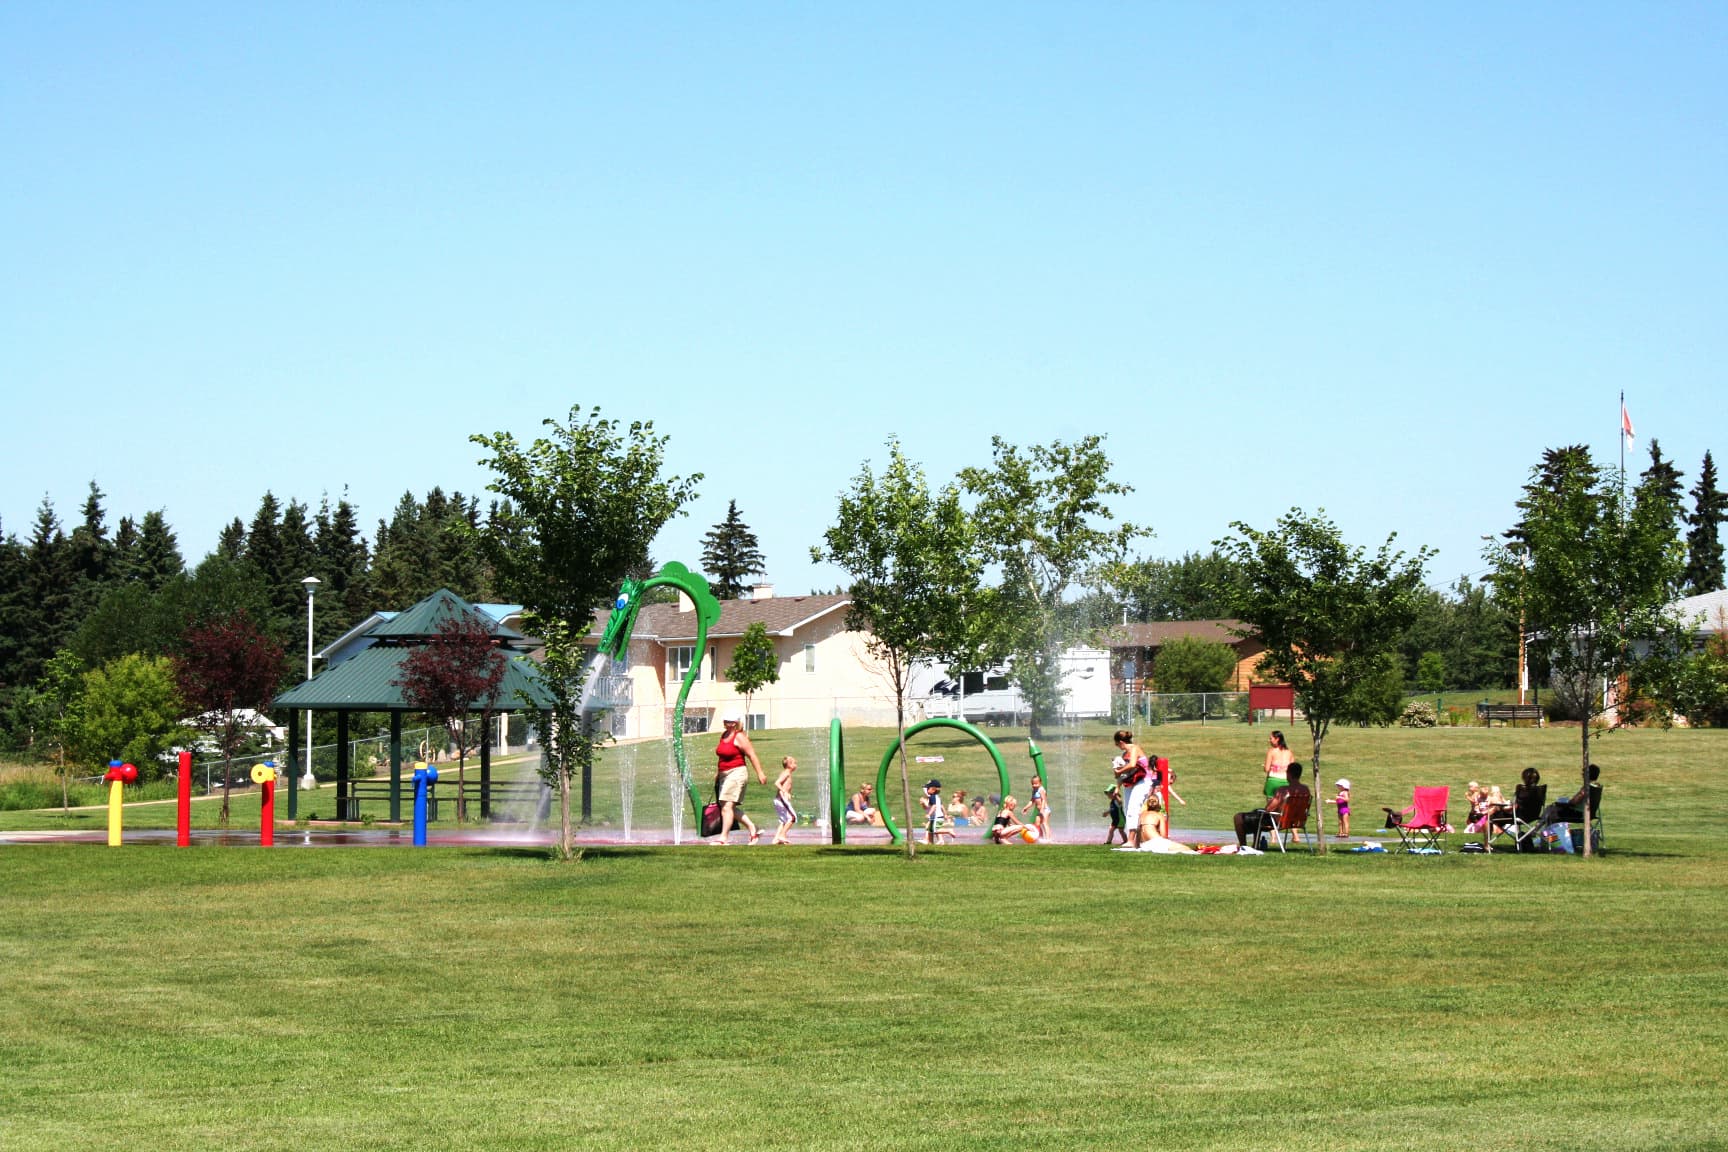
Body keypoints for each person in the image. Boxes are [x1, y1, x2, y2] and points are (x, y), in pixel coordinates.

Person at [712, 711, 767, 844]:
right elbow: (722, 756)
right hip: (724, 774)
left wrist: (760, 773)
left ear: (735, 723)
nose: (726, 723)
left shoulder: (740, 737)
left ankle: (723, 838)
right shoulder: (724, 735)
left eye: (728, 721)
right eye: (725, 721)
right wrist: (718, 773)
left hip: (737, 773)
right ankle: (753, 828)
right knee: (727, 806)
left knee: (727, 806)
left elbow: (752, 755)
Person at [1233, 762, 1310, 848]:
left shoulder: (1283, 790)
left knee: (1239, 817)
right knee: (1257, 814)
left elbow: (1269, 808)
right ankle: (1255, 845)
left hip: (1279, 821)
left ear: (1289, 774)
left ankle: (1244, 847)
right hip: (1297, 821)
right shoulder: (1305, 790)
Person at [1540, 764, 1602, 853]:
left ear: (1588, 774)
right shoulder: (1597, 786)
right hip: (1589, 813)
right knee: (1552, 809)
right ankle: (1545, 836)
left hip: (1578, 814)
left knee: (1551, 810)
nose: (1582, 774)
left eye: (1583, 772)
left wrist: (1564, 803)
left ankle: (1550, 839)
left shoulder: (1587, 787)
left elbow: (1574, 802)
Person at [1113, 730, 1154, 849]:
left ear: (1121, 742)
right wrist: (1117, 784)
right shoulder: (1123, 754)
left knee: (1133, 808)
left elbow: (1132, 764)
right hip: (1131, 782)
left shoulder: (1134, 748)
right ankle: (1136, 839)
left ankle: (1131, 840)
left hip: (1142, 781)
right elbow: (1123, 774)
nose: (1117, 746)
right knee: (1127, 810)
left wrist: (1119, 771)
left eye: (1116, 744)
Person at [770, 756, 798, 845]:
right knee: (793, 817)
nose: (796, 765)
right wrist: (784, 791)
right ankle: (782, 835)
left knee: (784, 820)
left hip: (780, 799)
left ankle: (776, 839)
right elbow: (777, 783)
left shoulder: (787, 773)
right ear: (789, 765)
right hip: (781, 799)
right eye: (794, 763)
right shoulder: (786, 773)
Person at [920, 778, 953, 845]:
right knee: (930, 830)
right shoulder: (936, 797)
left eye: (927, 788)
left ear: (933, 789)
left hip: (936, 816)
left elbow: (934, 806)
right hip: (936, 816)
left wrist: (929, 814)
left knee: (933, 830)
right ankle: (930, 842)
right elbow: (941, 806)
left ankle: (948, 831)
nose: (925, 790)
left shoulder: (932, 797)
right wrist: (945, 814)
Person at [1263, 730, 1294, 797]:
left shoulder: (1271, 751)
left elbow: (1266, 769)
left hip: (1273, 781)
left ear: (1277, 739)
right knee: (1284, 805)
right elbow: (1293, 770)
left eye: (1271, 738)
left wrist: (1265, 766)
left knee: (1271, 806)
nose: (1269, 740)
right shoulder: (1289, 752)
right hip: (1286, 782)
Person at [1027, 774, 1051, 842]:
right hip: (1040, 810)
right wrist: (1026, 808)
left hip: (1045, 809)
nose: (1034, 785)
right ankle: (1041, 837)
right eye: (1033, 784)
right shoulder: (1034, 791)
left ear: (1040, 783)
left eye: (1036, 783)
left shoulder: (1041, 789)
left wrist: (1042, 809)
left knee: (1044, 823)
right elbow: (1032, 800)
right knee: (1037, 824)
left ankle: (1048, 839)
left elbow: (1043, 800)